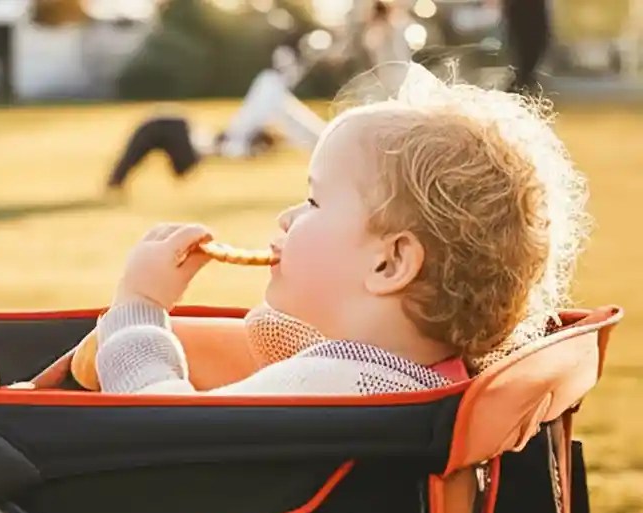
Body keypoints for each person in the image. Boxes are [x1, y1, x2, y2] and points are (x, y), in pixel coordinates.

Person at [95, 66, 588, 396]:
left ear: (390, 262)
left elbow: (161, 419)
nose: (286, 218)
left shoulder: (327, 387)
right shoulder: (420, 375)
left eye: (313, 200)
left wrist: (139, 306)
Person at [105, 42, 328, 194]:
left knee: (151, 131)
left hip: (189, 134)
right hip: (194, 133)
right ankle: (116, 180)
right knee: (270, 89)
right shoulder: (241, 135)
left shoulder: (238, 140)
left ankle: (116, 181)